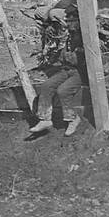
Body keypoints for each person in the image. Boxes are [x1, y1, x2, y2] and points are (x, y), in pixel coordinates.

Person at [29, 9, 86, 138]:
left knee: (63, 91)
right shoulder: (67, 36)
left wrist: (66, 55)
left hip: (79, 73)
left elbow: (76, 59)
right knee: (46, 86)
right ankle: (45, 119)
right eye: (68, 21)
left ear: (78, 22)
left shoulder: (83, 36)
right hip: (66, 70)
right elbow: (62, 58)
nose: (69, 24)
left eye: (72, 21)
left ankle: (73, 119)